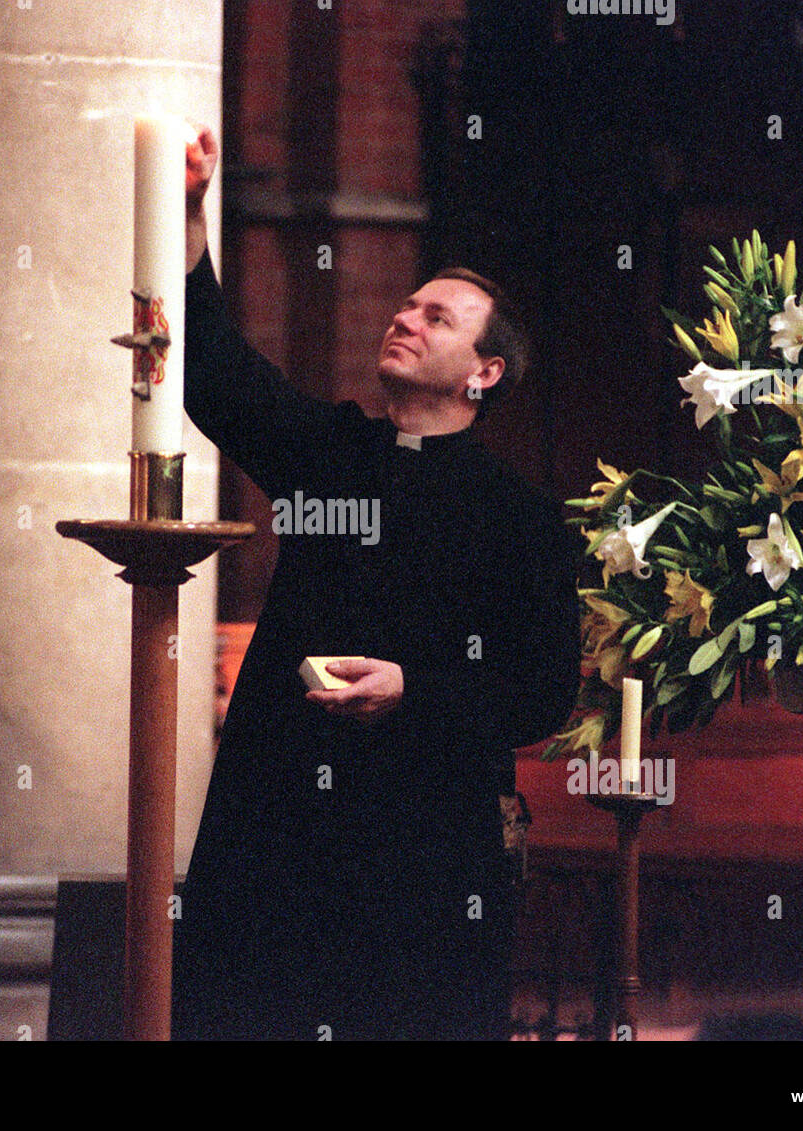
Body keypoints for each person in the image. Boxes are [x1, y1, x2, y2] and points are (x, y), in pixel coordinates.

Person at [171, 126, 580, 1040]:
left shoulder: (521, 518)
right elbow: (216, 375)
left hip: (420, 843)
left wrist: (414, 689)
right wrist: (192, 213)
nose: (404, 317)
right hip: (279, 820)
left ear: (485, 372)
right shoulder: (330, 452)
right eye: (406, 304)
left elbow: (543, 691)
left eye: (437, 317)